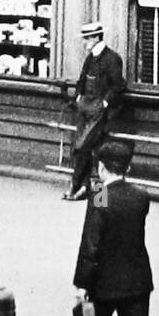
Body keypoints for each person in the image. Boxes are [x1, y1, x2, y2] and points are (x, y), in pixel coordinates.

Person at [72, 139, 159, 316]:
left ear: (101, 168)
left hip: (103, 283)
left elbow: (91, 244)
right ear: (127, 169)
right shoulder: (141, 196)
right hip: (137, 278)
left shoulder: (99, 197)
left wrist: (81, 283)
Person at [65, 21, 125, 201]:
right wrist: (78, 97)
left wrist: (104, 104)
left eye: (87, 39)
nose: (85, 42)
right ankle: (85, 190)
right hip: (85, 109)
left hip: (100, 113)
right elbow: (81, 80)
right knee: (86, 149)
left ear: (96, 38)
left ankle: (84, 190)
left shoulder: (112, 59)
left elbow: (118, 86)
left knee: (86, 148)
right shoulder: (90, 58)